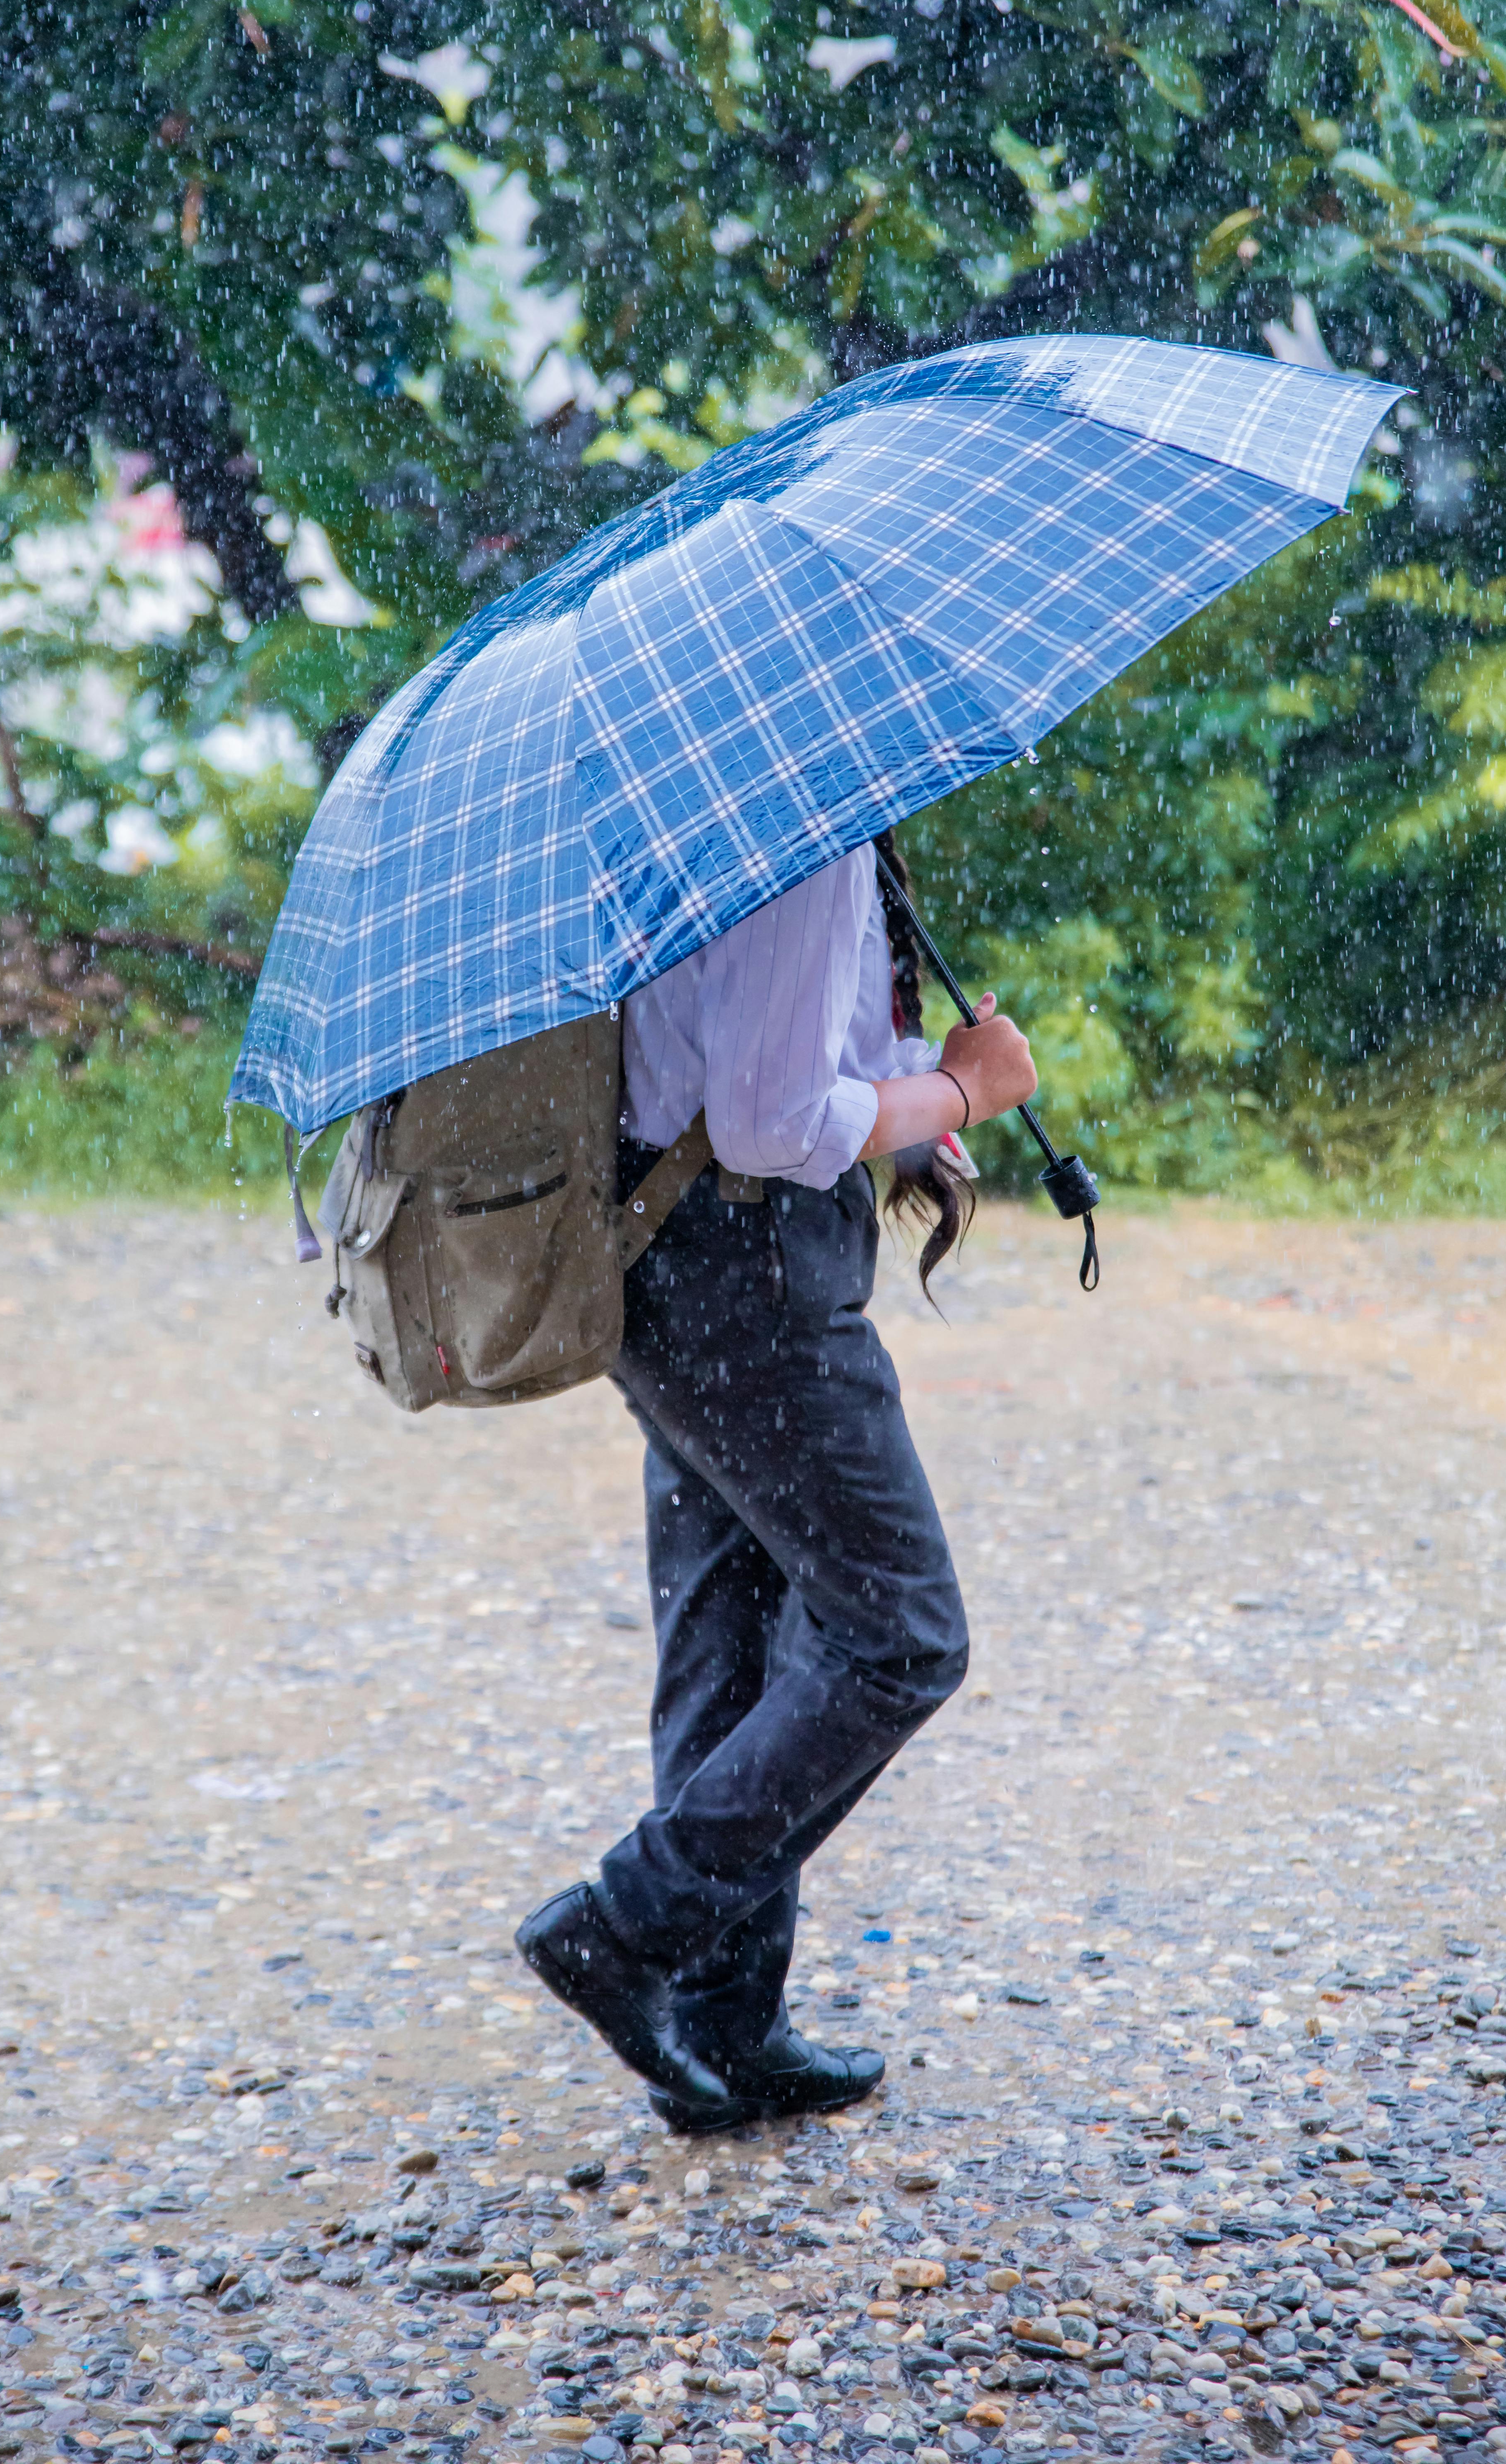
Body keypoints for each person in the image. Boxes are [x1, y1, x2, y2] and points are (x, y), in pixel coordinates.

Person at [515, 834, 1039, 2130]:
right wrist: (964, 1094)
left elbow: (745, 1061)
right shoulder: (796, 836)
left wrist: (911, 1087)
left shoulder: (695, 806)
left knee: (732, 1629)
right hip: (745, 1271)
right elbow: (771, 1123)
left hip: (663, 1254)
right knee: (900, 1635)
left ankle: (722, 2021)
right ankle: (630, 1929)